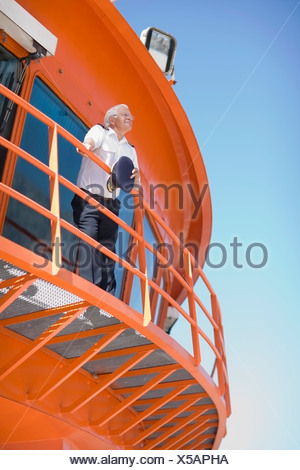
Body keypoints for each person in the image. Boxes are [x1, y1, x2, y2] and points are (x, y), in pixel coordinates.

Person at [71, 104, 139, 295]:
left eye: (130, 115)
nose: (130, 118)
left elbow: (135, 181)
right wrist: (87, 147)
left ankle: (105, 295)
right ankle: (86, 290)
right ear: (112, 119)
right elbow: (90, 142)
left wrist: (137, 177)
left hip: (111, 204)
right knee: (88, 241)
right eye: (125, 114)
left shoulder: (130, 150)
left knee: (108, 247)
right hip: (89, 198)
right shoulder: (100, 131)